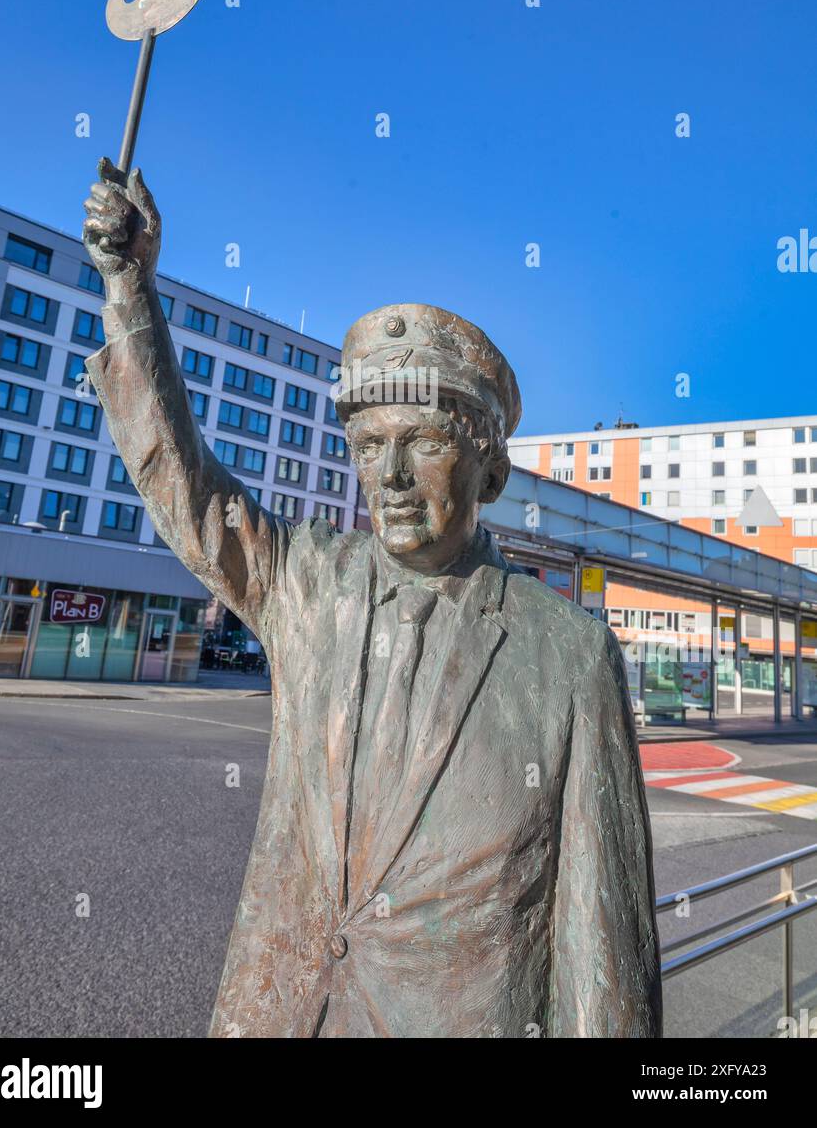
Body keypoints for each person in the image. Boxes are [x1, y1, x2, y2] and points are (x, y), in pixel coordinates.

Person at [82, 158, 661, 1039]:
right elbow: (189, 492)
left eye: (423, 443)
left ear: (490, 468)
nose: (386, 476)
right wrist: (130, 286)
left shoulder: (568, 655)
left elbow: (602, 947)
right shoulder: (309, 582)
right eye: (367, 446)